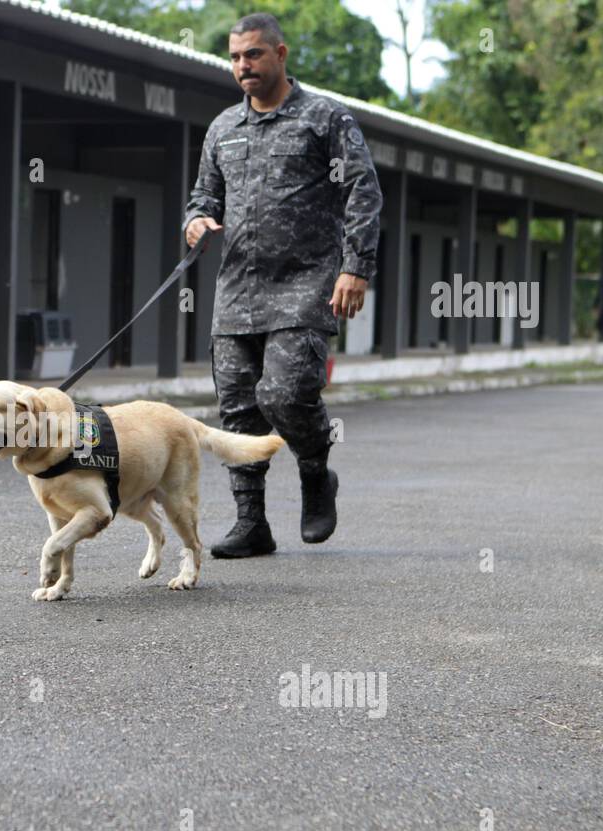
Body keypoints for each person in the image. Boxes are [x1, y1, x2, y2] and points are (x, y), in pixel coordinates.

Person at [183, 12, 382, 557]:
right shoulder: (223, 129)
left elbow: (363, 191)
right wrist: (196, 221)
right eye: (235, 57)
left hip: (307, 284)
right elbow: (203, 198)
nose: (243, 66)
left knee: (285, 392)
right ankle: (252, 524)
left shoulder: (325, 119)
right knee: (239, 410)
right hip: (236, 291)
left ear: (280, 54)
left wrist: (355, 266)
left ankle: (316, 472)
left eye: (253, 55)